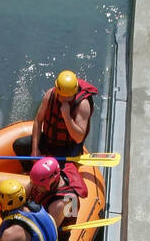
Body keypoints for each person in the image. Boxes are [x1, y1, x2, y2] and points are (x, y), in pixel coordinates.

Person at [13, 69, 99, 197]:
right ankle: (29, 172)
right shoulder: (50, 95)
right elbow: (38, 120)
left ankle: (51, 193)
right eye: (62, 96)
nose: (64, 99)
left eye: (68, 97)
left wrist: (67, 117)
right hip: (50, 140)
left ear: (74, 92)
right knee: (19, 144)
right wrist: (35, 149)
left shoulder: (83, 105)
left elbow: (78, 138)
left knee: (56, 172)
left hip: (68, 147)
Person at [28, 156, 81, 241]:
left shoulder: (60, 204)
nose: (34, 187)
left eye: (37, 185)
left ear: (50, 183)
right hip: (43, 218)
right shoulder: (42, 183)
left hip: (55, 236)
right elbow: (28, 189)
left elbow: (49, 232)